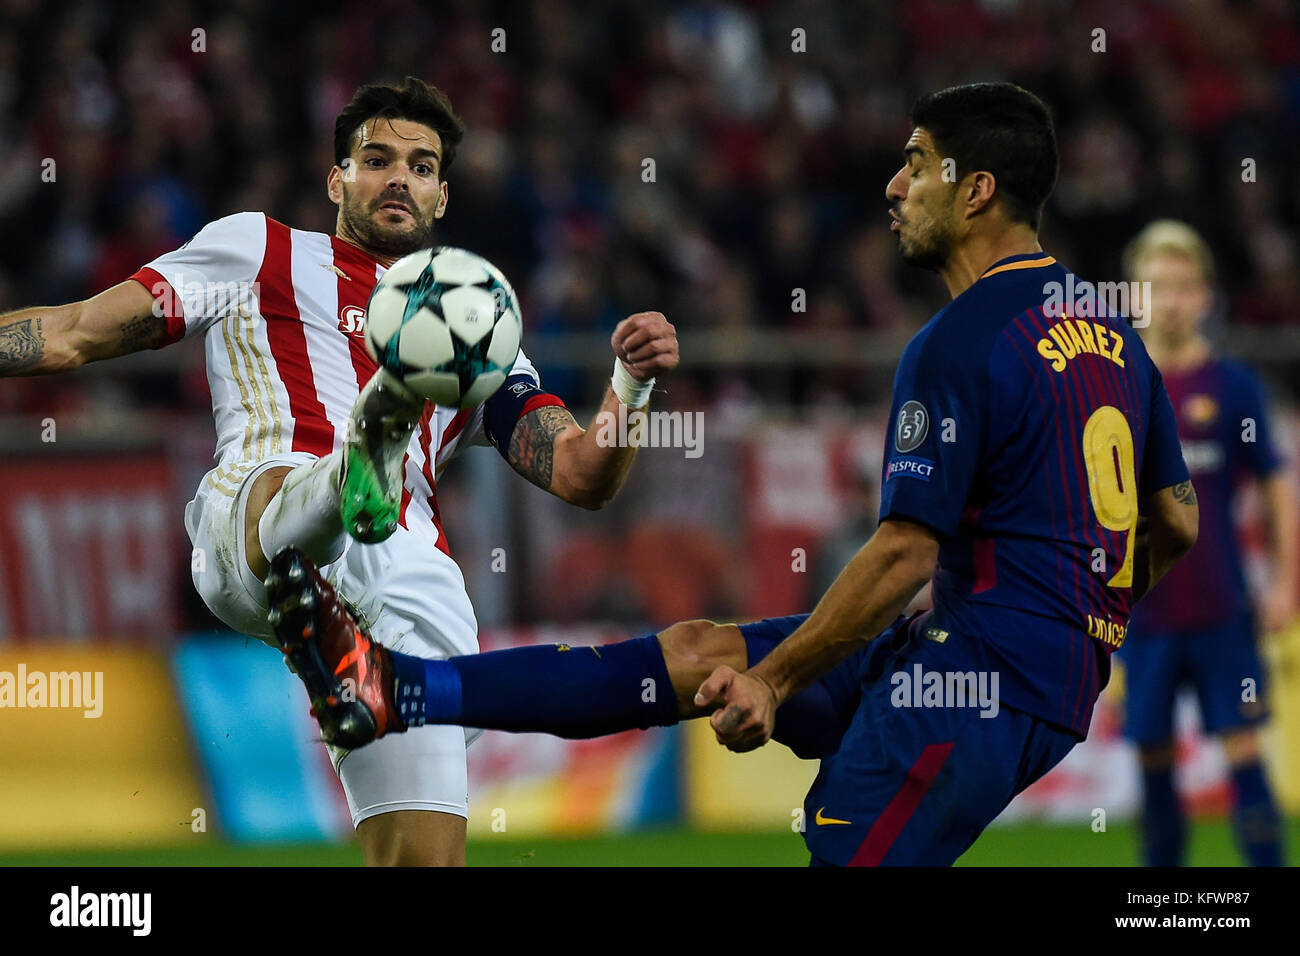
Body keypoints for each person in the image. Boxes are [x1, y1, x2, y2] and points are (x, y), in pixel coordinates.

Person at [275, 82, 1197, 866]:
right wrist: (1090, 623)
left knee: (843, 840)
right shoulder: (1114, 338)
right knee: (698, 654)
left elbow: (907, 550)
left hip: (986, 674)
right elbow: (1176, 522)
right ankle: (399, 687)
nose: (895, 184)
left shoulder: (958, 342)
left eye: (916, 163)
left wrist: (779, 681)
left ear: (977, 189)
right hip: (994, 651)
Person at [0, 76, 679, 866]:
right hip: (259, 507)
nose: (399, 177)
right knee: (292, 490)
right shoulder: (258, 249)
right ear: (337, 179)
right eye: (377, 159)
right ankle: (362, 459)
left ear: (442, 198)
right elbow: (77, 332)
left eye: (421, 167)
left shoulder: (479, 331)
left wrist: (631, 384)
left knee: (422, 858)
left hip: (402, 568)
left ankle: (363, 503)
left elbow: (582, 474)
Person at [1119, 219, 1293, 866]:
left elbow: (1277, 487)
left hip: (1224, 611)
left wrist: (1284, 584)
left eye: (1184, 286)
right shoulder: (1117, 388)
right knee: (1153, 762)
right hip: (1146, 617)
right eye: (1158, 285)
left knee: (1244, 750)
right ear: (1136, 293)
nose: (1171, 299)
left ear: (1204, 295)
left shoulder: (1232, 386)